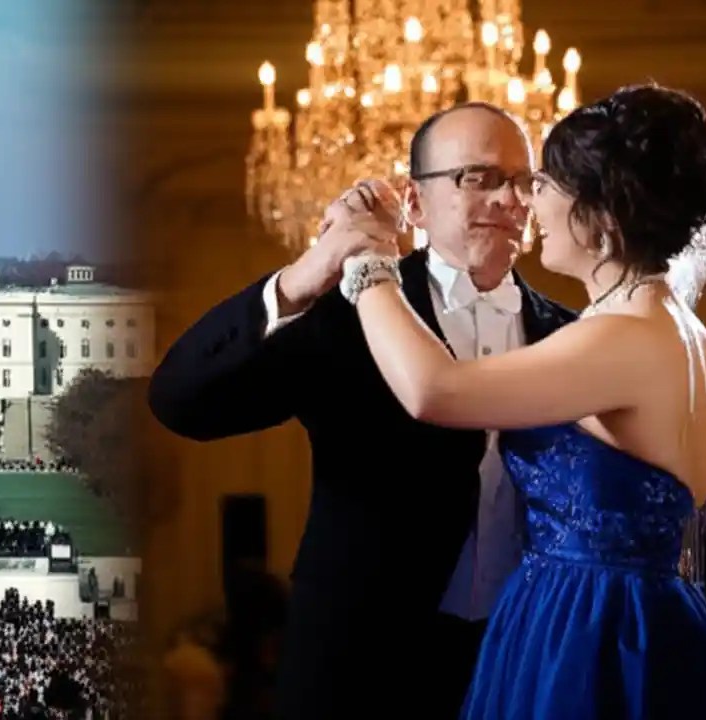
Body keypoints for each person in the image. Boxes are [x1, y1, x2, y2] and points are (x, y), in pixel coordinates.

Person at [339, 83, 706, 718]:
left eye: (544, 183)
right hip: (666, 618)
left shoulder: (615, 339)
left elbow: (434, 390)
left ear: (601, 214)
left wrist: (369, 264)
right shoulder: (687, 331)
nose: (526, 201)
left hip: (589, 630)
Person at [147, 101, 576, 718]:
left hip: (524, 663)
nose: (510, 199)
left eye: (523, 181)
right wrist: (307, 273)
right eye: (479, 177)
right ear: (415, 201)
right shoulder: (351, 316)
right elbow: (180, 399)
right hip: (358, 663)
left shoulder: (573, 335)